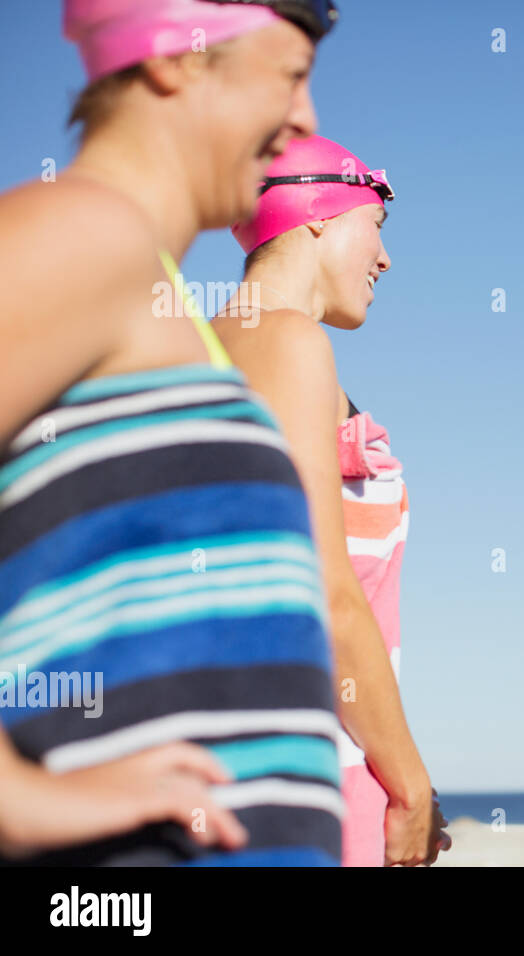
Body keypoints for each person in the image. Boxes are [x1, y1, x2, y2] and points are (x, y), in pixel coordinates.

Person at [0, 0, 344, 864]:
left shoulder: (155, 294)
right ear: (176, 61)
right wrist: (21, 802)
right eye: (292, 77)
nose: (306, 118)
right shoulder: (85, 231)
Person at [217, 134, 450, 866]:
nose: (385, 259)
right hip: (307, 783)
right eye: (376, 226)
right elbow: (323, 587)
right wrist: (410, 786)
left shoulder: (204, 344)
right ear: (319, 214)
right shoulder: (285, 342)